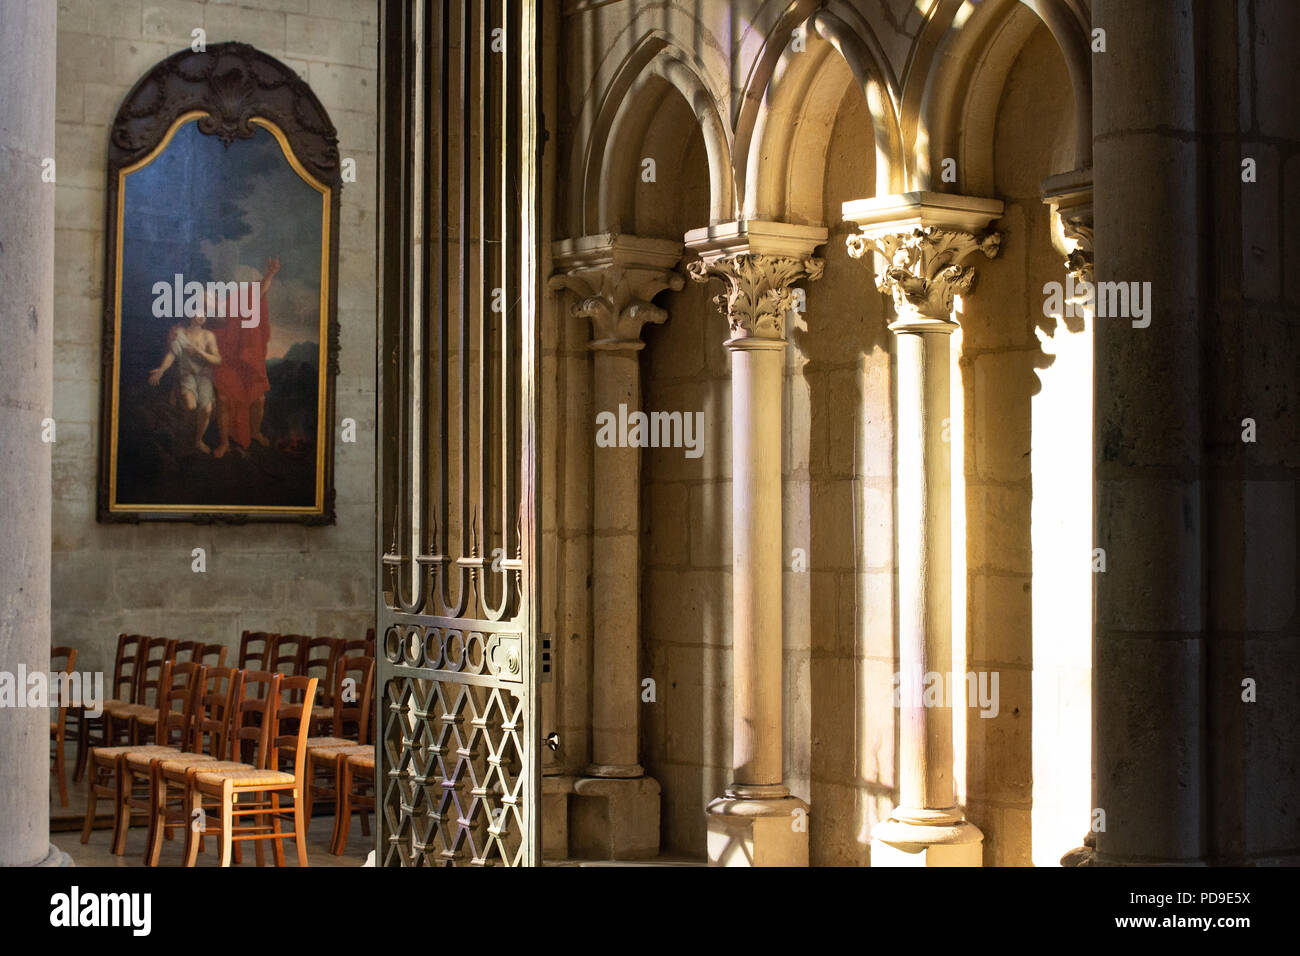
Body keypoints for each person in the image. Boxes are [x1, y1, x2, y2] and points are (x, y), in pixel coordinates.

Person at [212, 257, 279, 458]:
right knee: (224, 399)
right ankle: (224, 443)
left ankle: (255, 431)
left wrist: (271, 273)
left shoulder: (247, 296)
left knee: (259, 398)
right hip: (227, 356)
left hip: (249, 356)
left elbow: (261, 290)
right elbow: (208, 316)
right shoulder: (219, 299)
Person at [147, 299, 222, 454]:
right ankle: (185, 430)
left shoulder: (208, 336)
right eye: (199, 313)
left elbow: (218, 359)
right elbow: (171, 354)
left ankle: (198, 441)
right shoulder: (179, 334)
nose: (202, 317)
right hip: (186, 374)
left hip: (204, 375)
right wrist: (161, 369)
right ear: (191, 313)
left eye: (205, 315)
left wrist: (200, 352)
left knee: (207, 409)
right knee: (191, 406)